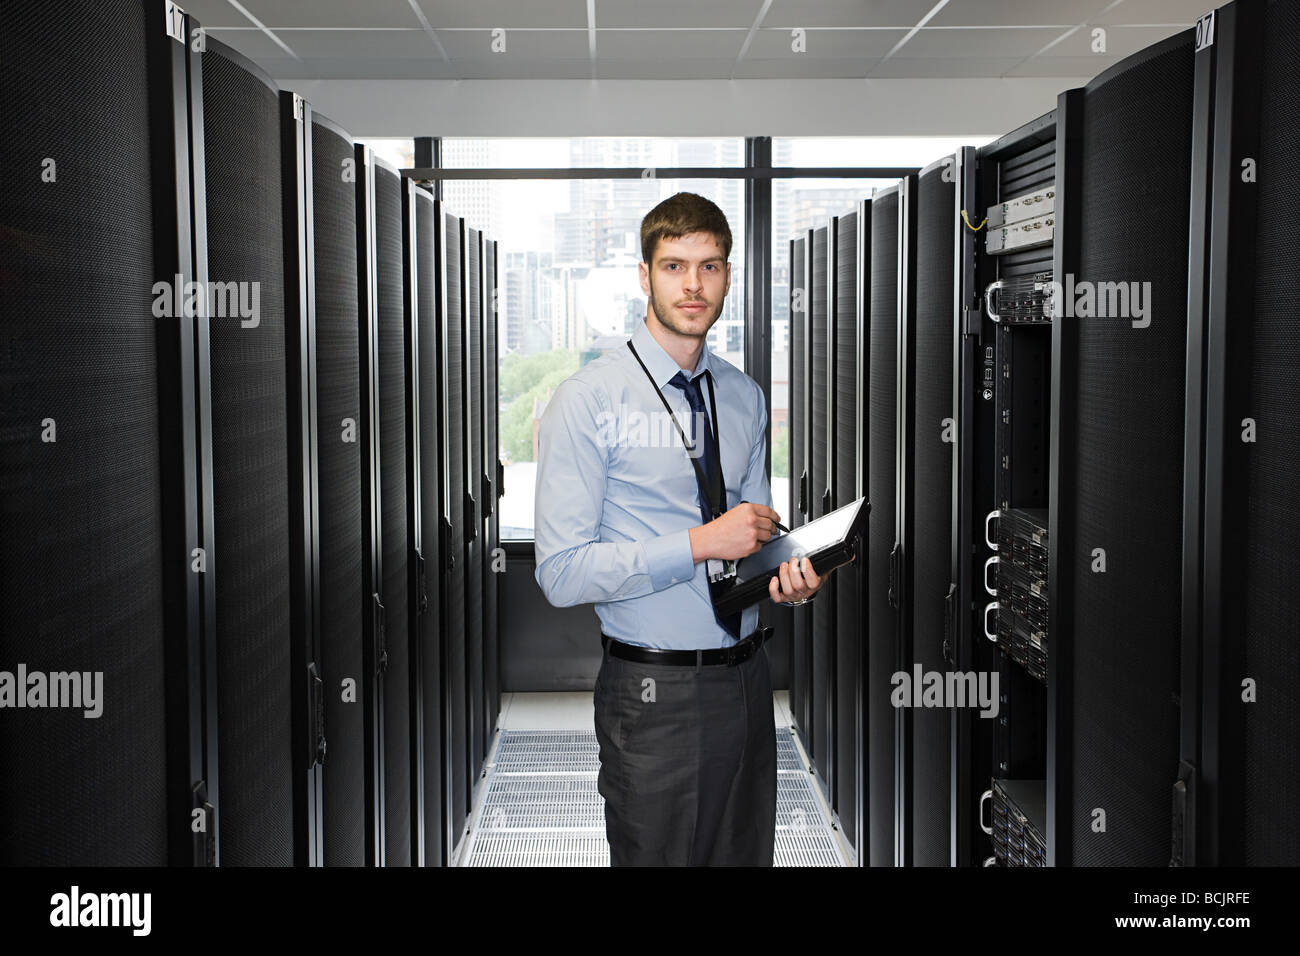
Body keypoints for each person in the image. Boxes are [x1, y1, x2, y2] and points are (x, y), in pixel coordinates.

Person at [533, 191, 832, 866]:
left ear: (729, 276)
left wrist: (788, 579)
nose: (693, 284)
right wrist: (701, 544)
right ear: (645, 276)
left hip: (750, 685)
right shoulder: (588, 400)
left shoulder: (743, 394)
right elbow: (560, 571)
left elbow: (752, 538)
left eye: (710, 265)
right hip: (654, 697)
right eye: (674, 266)